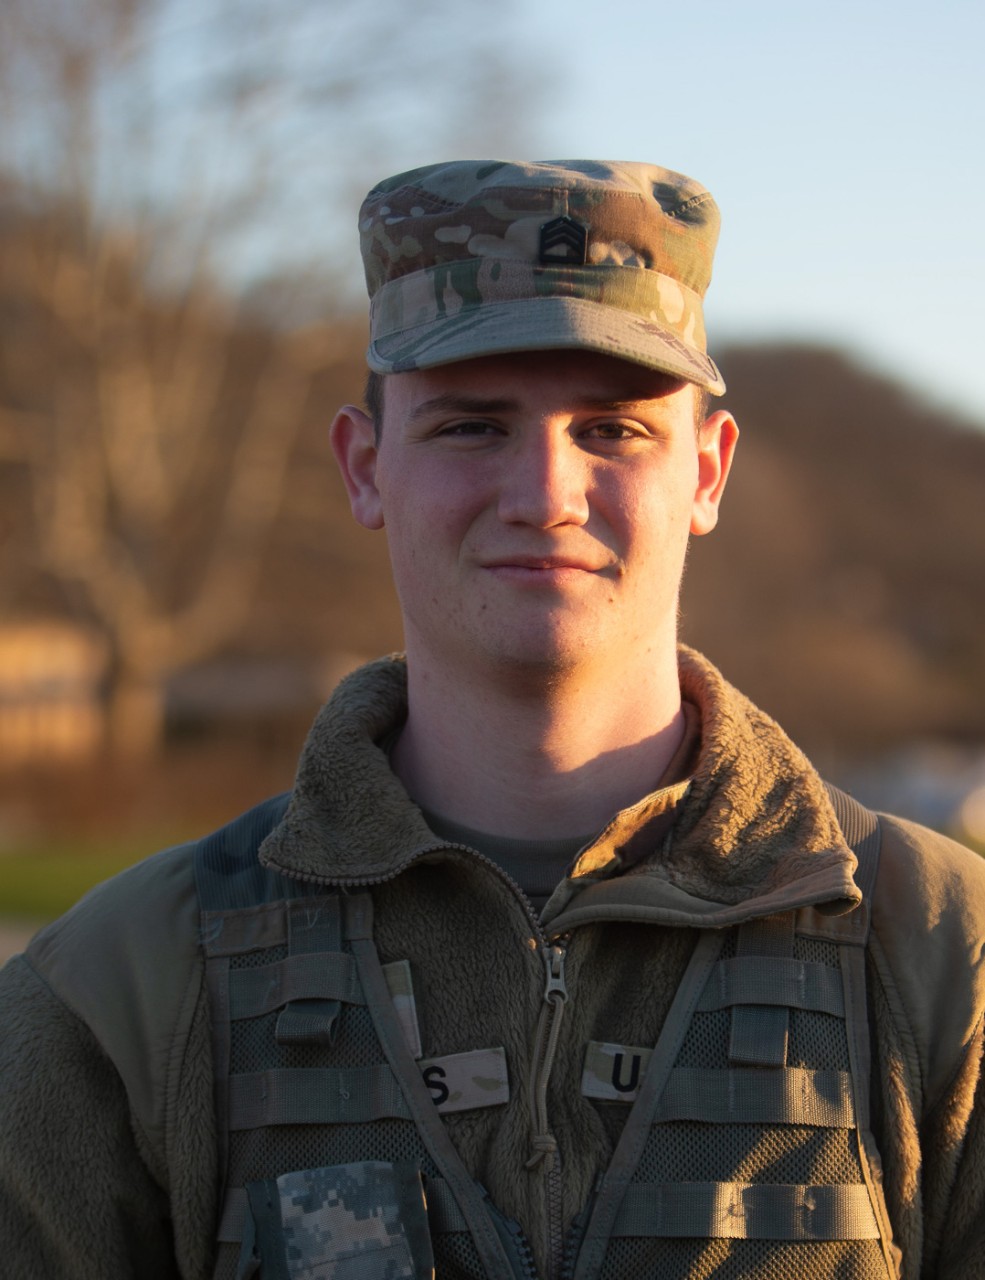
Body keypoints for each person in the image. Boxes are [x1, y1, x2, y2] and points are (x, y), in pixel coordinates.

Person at [1, 159, 984, 1280]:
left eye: (613, 430)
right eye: (471, 426)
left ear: (706, 474)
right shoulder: (120, 996)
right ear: (364, 468)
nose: (545, 495)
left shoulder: (943, 963)